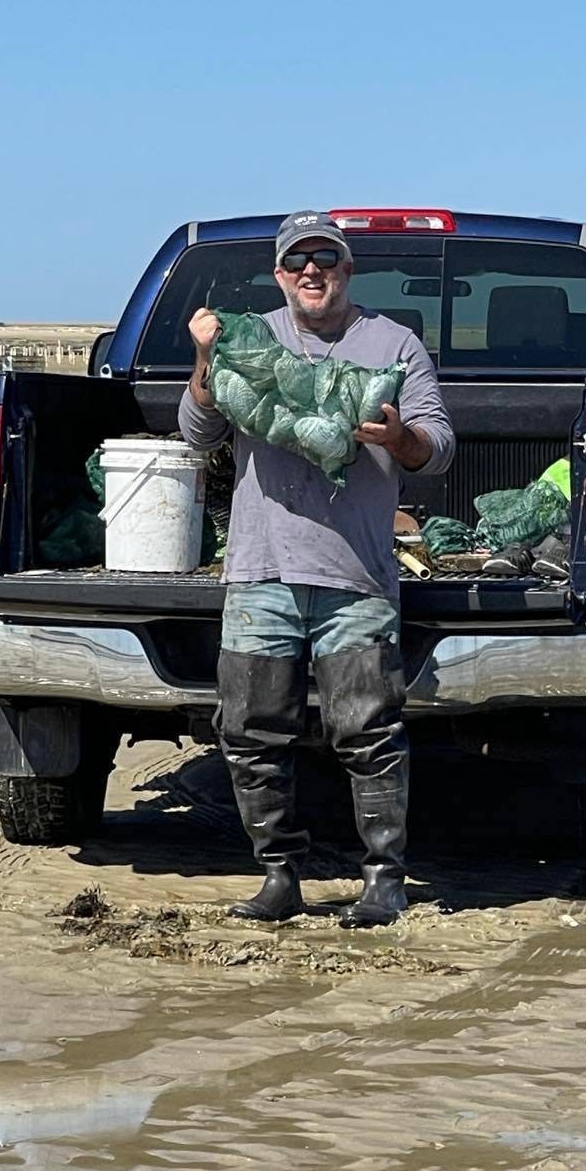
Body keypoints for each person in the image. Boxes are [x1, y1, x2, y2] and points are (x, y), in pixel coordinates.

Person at [178, 209, 455, 928]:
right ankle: (278, 877)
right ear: (279, 275)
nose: (312, 271)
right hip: (259, 570)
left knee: (368, 730)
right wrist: (206, 357)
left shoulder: (392, 343)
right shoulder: (249, 336)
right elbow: (198, 429)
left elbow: (438, 445)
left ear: (346, 269)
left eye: (325, 259)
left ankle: (384, 880)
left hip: (355, 576)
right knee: (250, 731)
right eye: (298, 261)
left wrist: (398, 437)